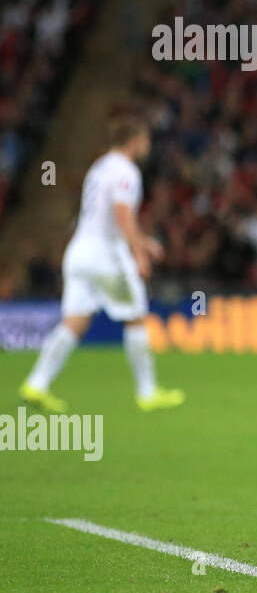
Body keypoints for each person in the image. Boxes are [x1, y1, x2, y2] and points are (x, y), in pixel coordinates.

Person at [19, 106, 184, 412]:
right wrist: (138, 253)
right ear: (134, 140)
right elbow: (122, 216)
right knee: (135, 317)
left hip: (79, 253)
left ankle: (36, 384)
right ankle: (147, 393)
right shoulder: (126, 171)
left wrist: (142, 241)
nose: (147, 145)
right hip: (105, 256)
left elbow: (103, 216)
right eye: (145, 139)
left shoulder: (99, 167)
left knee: (74, 322)